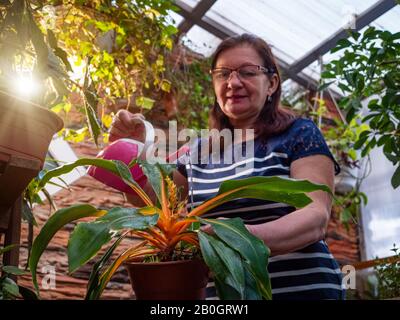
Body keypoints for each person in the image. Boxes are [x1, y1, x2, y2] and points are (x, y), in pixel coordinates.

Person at [109, 33, 344, 300]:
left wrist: (239, 239)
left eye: (247, 72)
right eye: (223, 74)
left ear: (272, 83)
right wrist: (133, 151)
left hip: (301, 291)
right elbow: (151, 204)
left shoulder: (299, 133)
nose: (233, 82)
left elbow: (316, 216)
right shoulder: (198, 150)